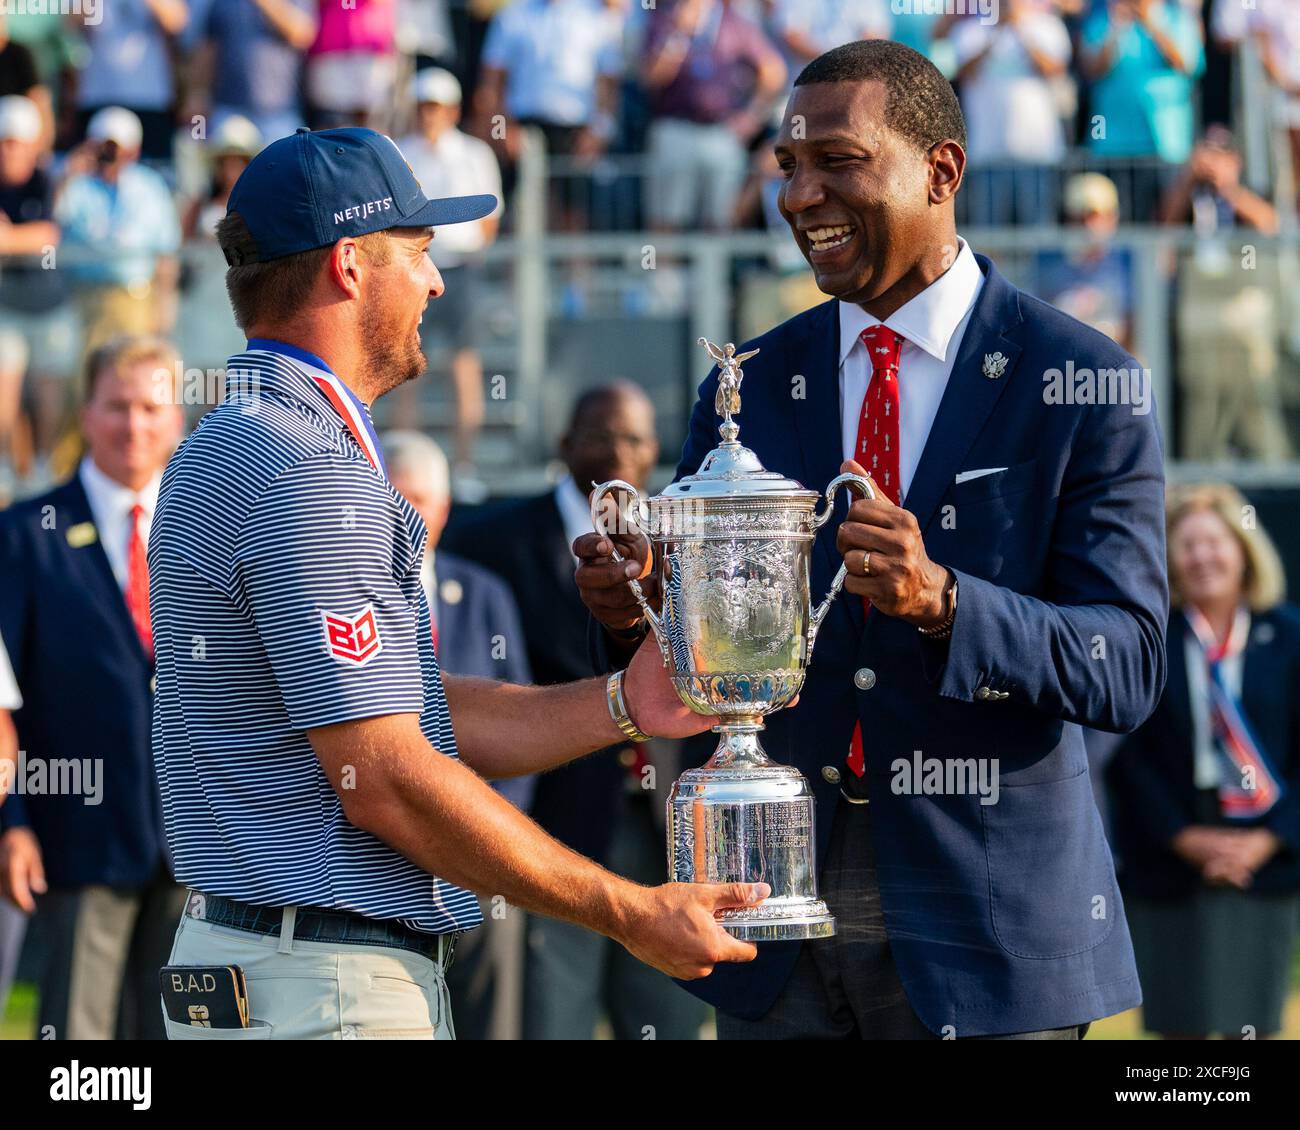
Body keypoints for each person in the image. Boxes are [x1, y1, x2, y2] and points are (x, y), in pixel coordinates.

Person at [576, 40, 1168, 1040]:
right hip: (770, 917)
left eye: (836, 162)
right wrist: (635, 601)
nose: (801, 196)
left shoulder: (1078, 380)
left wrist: (945, 601)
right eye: (787, 169)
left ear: (940, 170)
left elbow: (1129, 661)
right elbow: (698, 659)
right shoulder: (747, 384)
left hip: (984, 940)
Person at [151, 126, 765, 1041]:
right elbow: (387, 777)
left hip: (276, 969)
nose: (437, 282)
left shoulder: (234, 443)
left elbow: (402, 715)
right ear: (351, 265)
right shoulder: (306, 467)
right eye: (421, 252)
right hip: (323, 986)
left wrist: (621, 702)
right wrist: (626, 910)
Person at [447, 383, 712, 1040]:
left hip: (669, 824)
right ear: (565, 445)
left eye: (635, 437)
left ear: (656, 448)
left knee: (667, 1014)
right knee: (554, 1014)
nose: (618, 452)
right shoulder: (492, 539)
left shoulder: (686, 537)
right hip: (558, 824)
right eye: (600, 435)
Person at [0, 335, 188, 1040]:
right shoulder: (23, 535)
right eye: (116, 406)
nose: (133, 425)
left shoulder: (212, 533)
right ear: (86, 409)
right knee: (78, 1053)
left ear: (175, 419)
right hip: (76, 844)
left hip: (197, 846)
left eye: (149, 407)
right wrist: (10, 823)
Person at [1108, 484, 1300, 1039]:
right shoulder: (1149, 641)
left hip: (1265, 851)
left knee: (1253, 1022)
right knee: (1178, 1025)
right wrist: (1183, 837)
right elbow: (1125, 755)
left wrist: (1266, 840)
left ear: (1243, 550)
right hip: (1170, 849)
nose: (1201, 557)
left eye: (1214, 542)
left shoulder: (1288, 638)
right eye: (1186, 546)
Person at [384, 428, 534, 1040]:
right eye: (393, 498)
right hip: (383, 860)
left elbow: (521, 724)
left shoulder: (484, 594)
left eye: (419, 501)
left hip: (479, 863)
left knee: (487, 1018)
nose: (407, 516)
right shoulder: (350, 591)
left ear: (444, 510)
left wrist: (488, 838)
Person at [395, 68, 503, 487]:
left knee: (464, 367)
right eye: (424, 106)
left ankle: (463, 467)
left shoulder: (474, 154)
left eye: (436, 107)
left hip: (460, 267)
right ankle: (404, 468)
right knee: (407, 368)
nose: (429, 115)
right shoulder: (401, 152)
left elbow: (489, 221)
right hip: (414, 266)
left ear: (452, 110)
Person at [1157, 125, 1288, 463]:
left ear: (1236, 160)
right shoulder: (1186, 199)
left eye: (1221, 155)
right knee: (1202, 405)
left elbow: (1270, 225)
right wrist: (1187, 183)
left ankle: (1272, 471)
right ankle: (1200, 473)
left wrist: (1228, 189)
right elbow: (1162, 243)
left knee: (1256, 401)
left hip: (1244, 314)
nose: (1212, 163)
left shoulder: (1254, 191)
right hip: (1200, 315)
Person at [642, 0, 786, 232]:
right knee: (666, 214)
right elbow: (652, 78)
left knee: (720, 216)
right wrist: (678, 34)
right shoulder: (663, 18)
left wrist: (752, 115)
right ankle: (663, 269)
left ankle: (714, 269)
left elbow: (773, 70)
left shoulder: (734, 22)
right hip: (674, 127)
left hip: (721, 133)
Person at [55, 108, 181, 360]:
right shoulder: (75, 184)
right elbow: (53, 222)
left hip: (135, 300)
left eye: (117, 147)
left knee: (131, 373)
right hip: (83, 298)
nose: (111, 154)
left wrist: (164, 307)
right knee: (85, 381)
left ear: (133, 149)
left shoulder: (150, 186)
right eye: (104, 146)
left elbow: (166, 251)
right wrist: (69, 173)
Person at [0, 93, 69, 495]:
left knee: (49, 394)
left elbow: (49, 236)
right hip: (7, 307)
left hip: (48, 308)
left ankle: (43, 469)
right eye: (5, 142)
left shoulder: (44, 179)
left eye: (16, 142)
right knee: (4, 390)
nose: (10, 152)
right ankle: (9, 469)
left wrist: (9, 239)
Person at [1079, 0, 1204, 220]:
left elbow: (1186, 64)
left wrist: (1151, 23)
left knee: (1165, 222)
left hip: (1166, 145)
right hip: (1113, 145)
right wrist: (1117, 29)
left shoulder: (1178, 18)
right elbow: (1092, 70)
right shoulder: (1103, 19)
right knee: (1119, 224)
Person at [951, 0, 1071, 226]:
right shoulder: (970, 30)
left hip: (1037, 153)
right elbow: (962, 73)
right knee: (991, 236)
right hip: (988, 154)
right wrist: (997, 33)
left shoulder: (1049, 26)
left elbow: (1054, 70)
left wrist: (1021, 31)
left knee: (1038, 234)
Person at [186, 0, 317, 144]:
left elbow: (302, 34)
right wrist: (197, 93)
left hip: (278, 113)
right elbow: (209, 48)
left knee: (283, 165)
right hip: (228, 109)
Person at [76, 0, 189, 163]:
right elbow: (73, 21)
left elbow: (175, 22)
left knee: (153, 172)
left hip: (149, 101)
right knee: (96, 169)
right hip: (99, 97)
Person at [1032, 172, 1134, 352]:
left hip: (1117, 365)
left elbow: (1136, 328)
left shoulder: (1129, 262)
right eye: (1078, 217)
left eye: (1094, 216)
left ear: (1113, 218)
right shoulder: (1046, 264)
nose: (1086, 226)